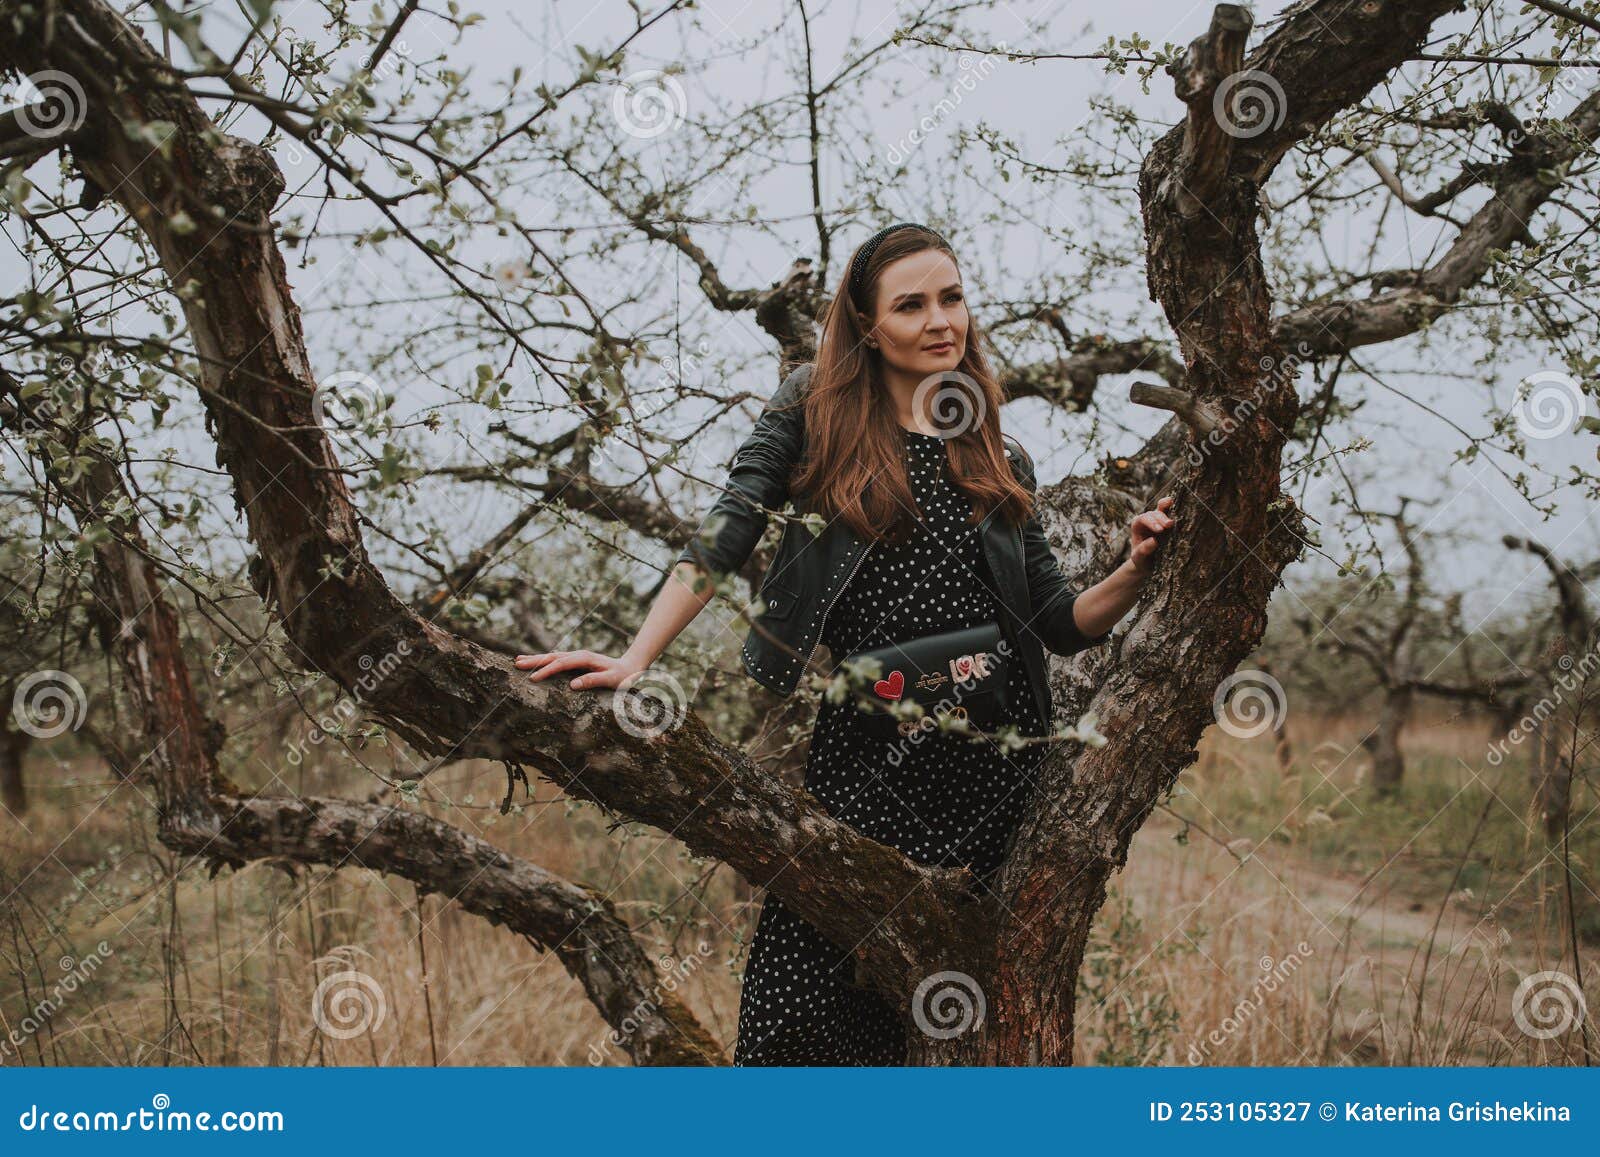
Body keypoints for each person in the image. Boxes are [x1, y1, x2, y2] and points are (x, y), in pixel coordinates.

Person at [515, 222, 1174, 1064]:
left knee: (945, 1033)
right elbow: (728, 527)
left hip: (989, 774)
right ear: (867, 323)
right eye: (911, 305)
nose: (941, 321)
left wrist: (1135, 568)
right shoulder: (815, 409)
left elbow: (1060, 621)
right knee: (797, 1020)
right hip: (865, 761)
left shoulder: (996, 449)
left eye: (952, 298)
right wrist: (637, 658)